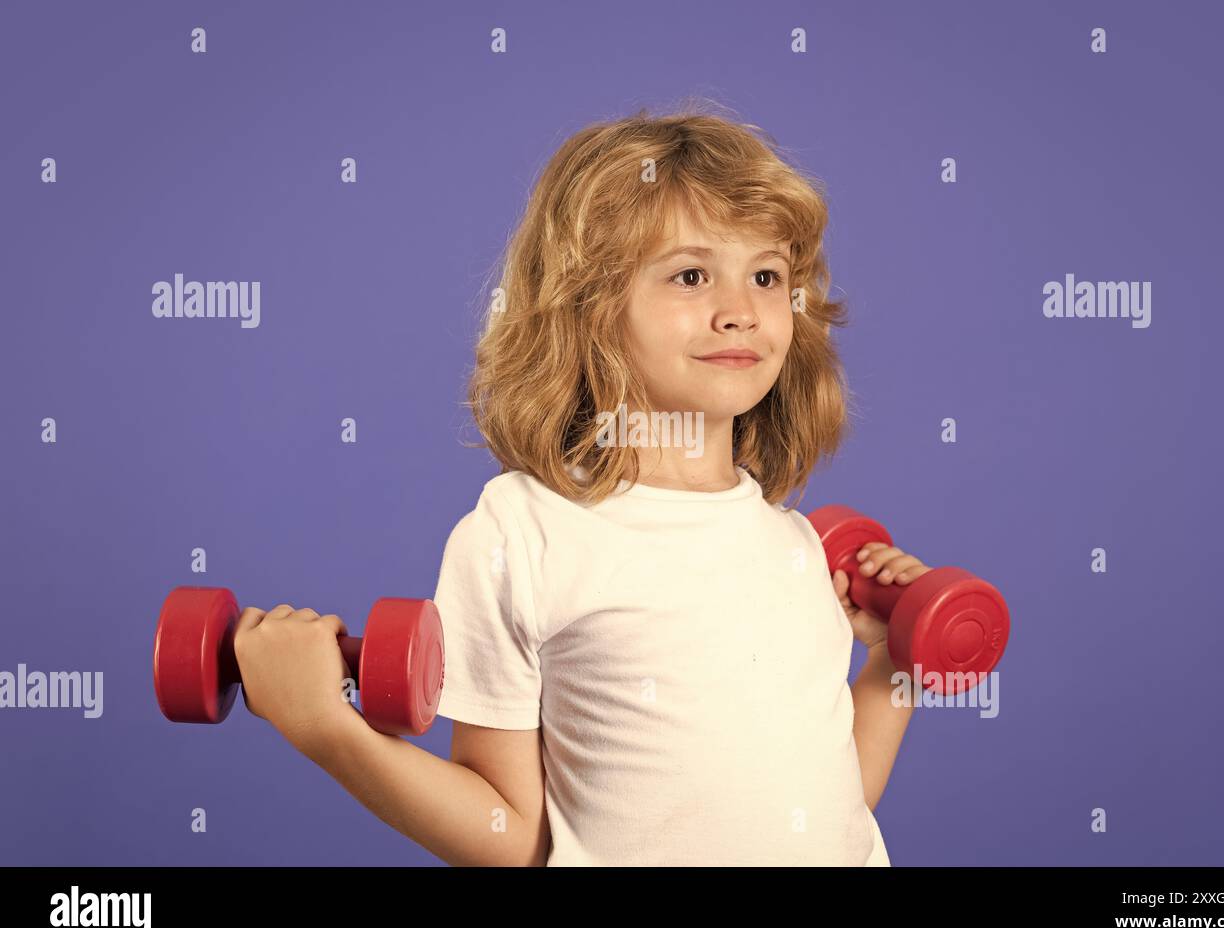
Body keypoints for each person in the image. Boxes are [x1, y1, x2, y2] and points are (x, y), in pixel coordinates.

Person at [233, 100, 931, 866]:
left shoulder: (794, 545)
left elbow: (835, 805)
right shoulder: (525, 535)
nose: (740, 311)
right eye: (692, 274)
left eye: (766, 275)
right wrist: (326, 730)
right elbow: (508, 837)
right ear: (591, 308)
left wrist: (899, 658)